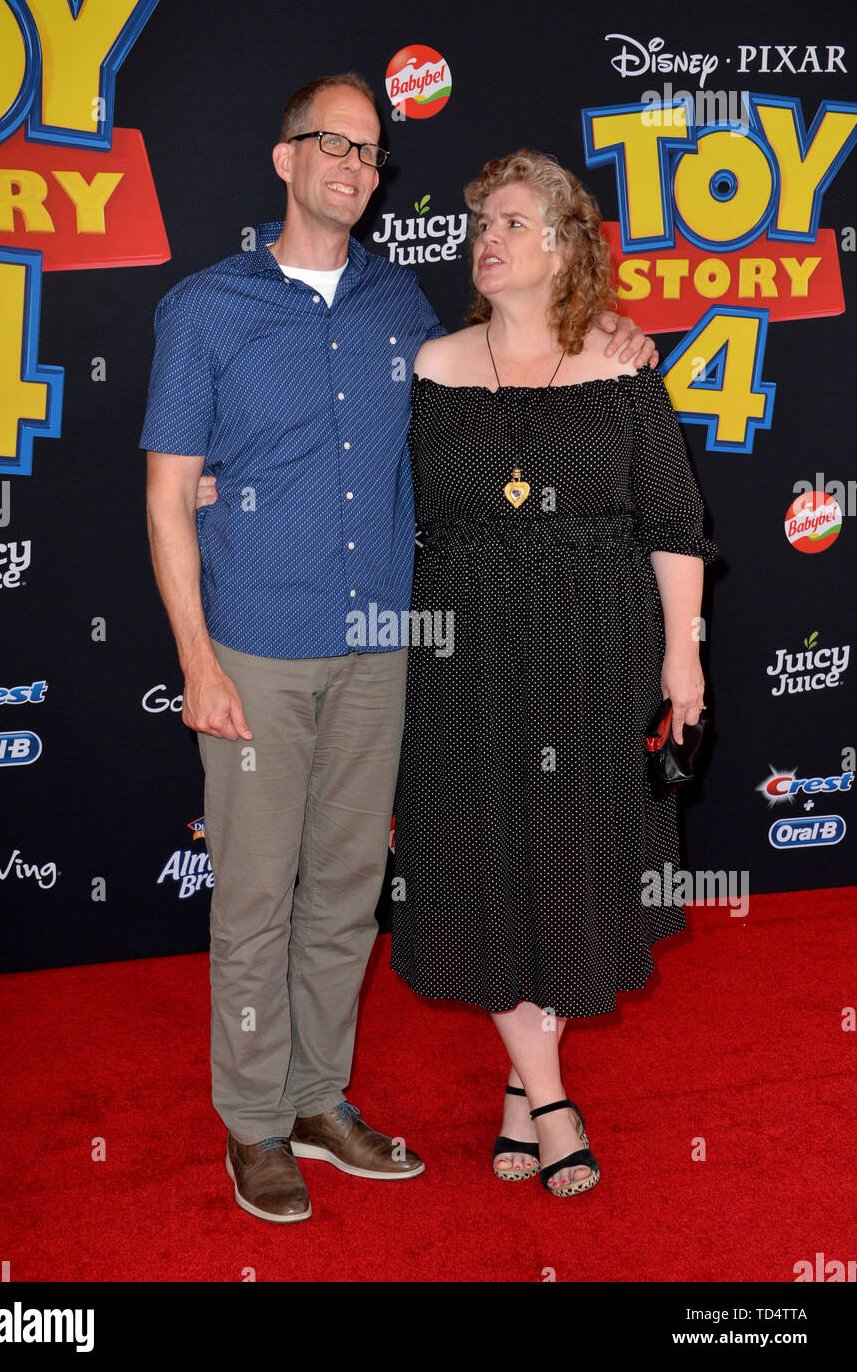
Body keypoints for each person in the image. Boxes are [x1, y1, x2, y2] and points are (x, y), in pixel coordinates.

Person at [148, 74, 655, 1224]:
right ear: (283, 159)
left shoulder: (402, 309)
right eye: (328, 143)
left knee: (341, 896)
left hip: (385, 651)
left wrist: (605, 326)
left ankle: (316, 1101)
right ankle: (253, 1124)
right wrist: (197, 661)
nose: (351, 164)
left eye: (368, 151)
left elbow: (508, 373)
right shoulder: (205, 308)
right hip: (255, 649)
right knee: (255, 900)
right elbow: (168, 493)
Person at [390, 150, 718, 1197]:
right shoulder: (431, 365)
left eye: (513, 223)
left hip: (596, 650)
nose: (487, 238)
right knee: (478, 861)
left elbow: (674, 524)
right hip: (462, 657)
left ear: (567, 248)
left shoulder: (621, 368)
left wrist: (681, 655)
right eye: (480, 222)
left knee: (574, 866)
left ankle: (521, 1089)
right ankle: (551, 1100)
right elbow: (365, 492)